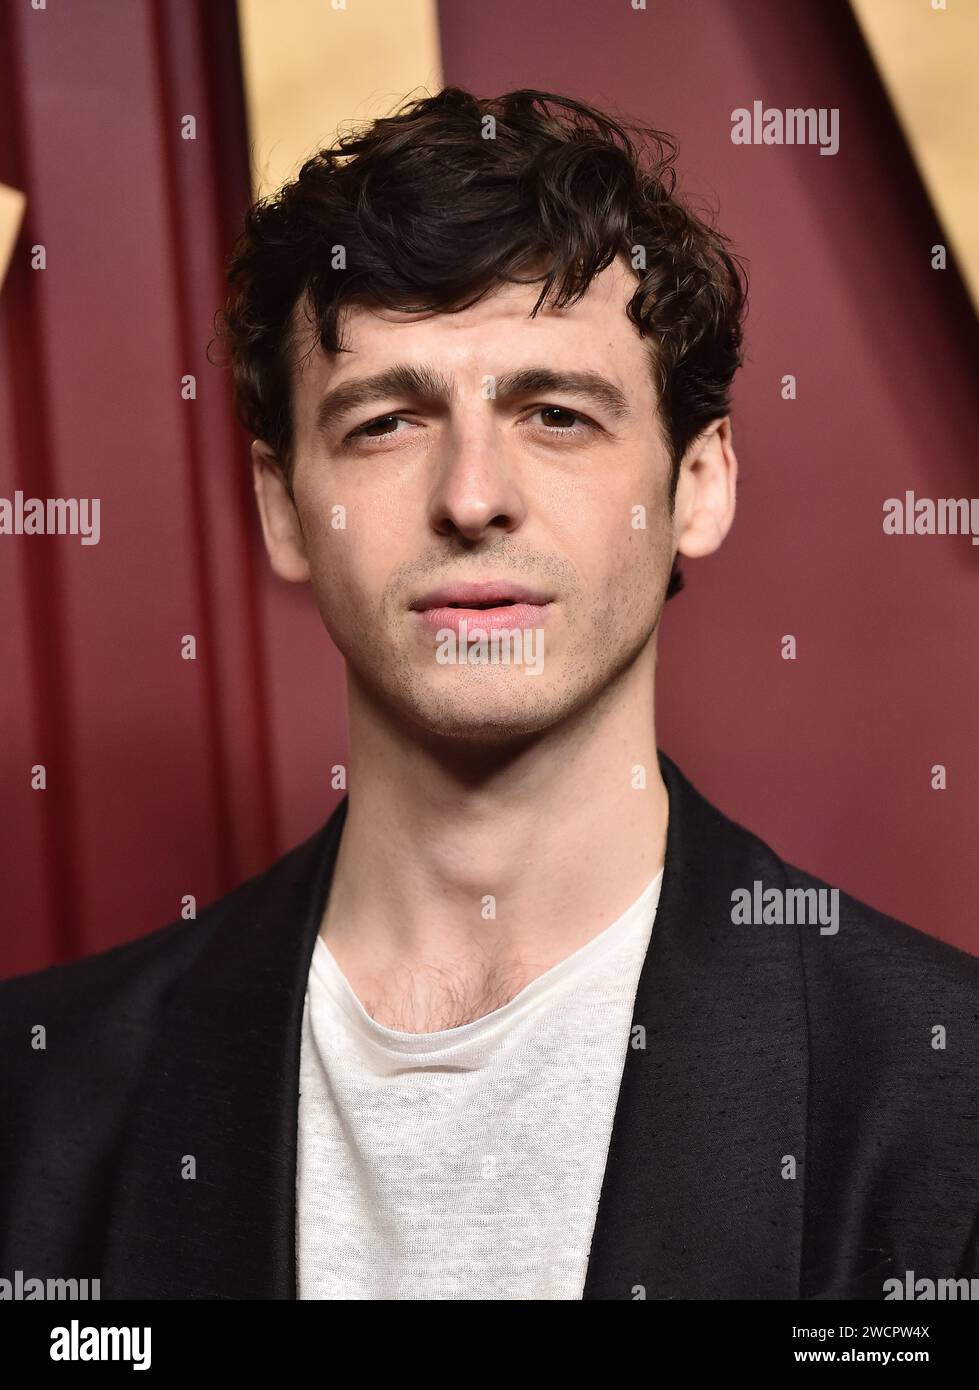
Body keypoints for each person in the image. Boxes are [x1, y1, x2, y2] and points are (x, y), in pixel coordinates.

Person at [2, 88, 977, 1302]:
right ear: (279, 504)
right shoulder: (37, 1100)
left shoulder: (947, 1097)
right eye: (388, 420)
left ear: (699, 484)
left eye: (556, 415)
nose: (472, 496)